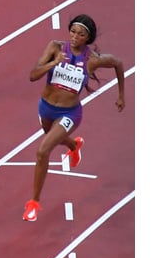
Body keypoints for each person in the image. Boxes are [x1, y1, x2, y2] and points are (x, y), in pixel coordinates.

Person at [22, 14, 126, 222]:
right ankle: (73, 146)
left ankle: (33, 204)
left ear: (88, 38)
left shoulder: (92, 60)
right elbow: (33, 75)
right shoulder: (55, 48)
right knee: (53, 137)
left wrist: (121, 95)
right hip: (46, 108)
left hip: (69, 113)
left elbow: (118, 63)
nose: (75, 37)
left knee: (43, 151)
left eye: (81, 34)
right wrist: (53, 63)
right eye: (73, 32)